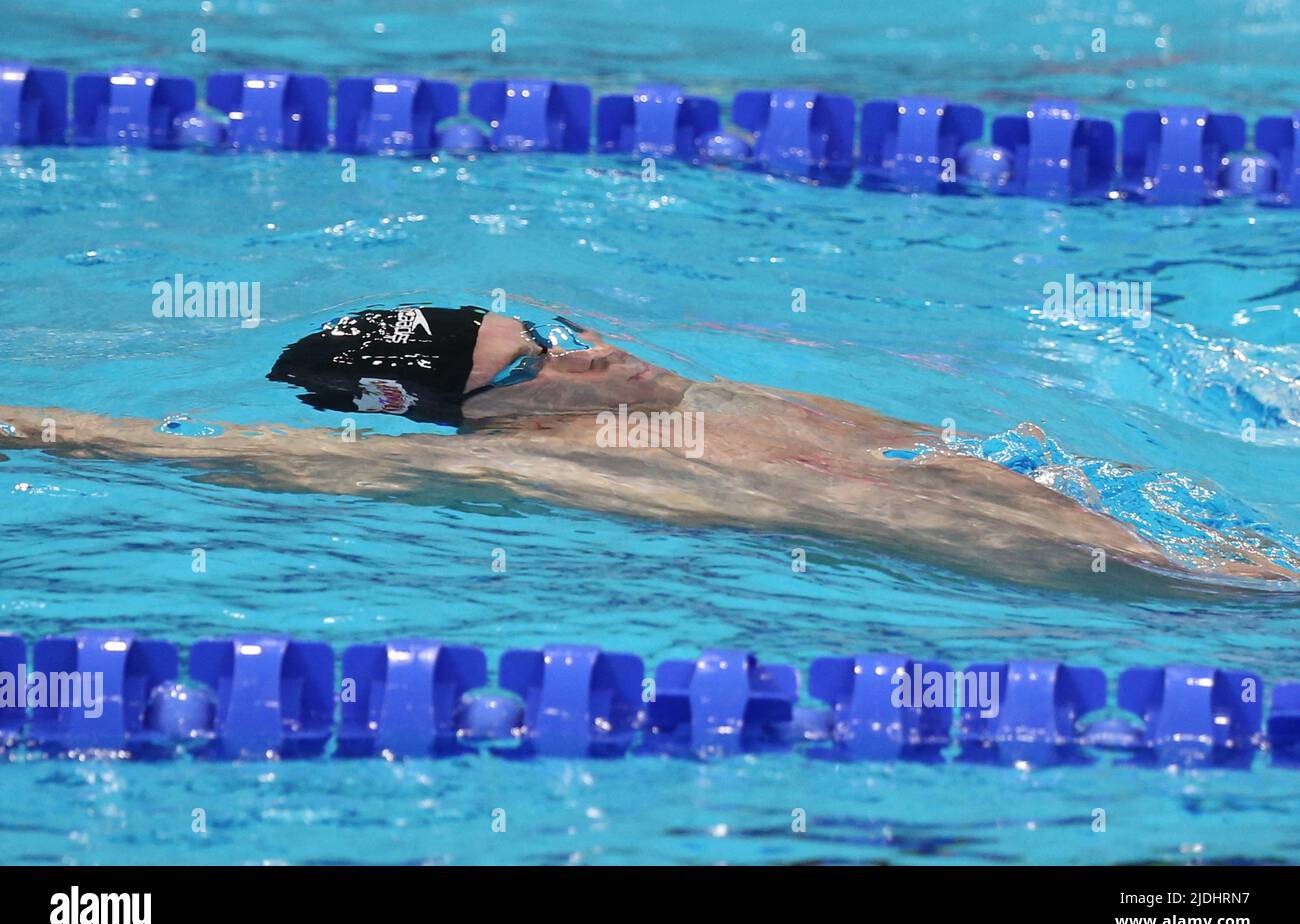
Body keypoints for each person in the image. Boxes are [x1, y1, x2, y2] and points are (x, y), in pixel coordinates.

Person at [2, 304, 1296, 597]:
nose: (591, 348)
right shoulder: (534, 465)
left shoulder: (696, 392)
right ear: (495, 414)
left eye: (556, 325)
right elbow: (205, 454)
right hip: (1106, 577)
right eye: (537, 357)